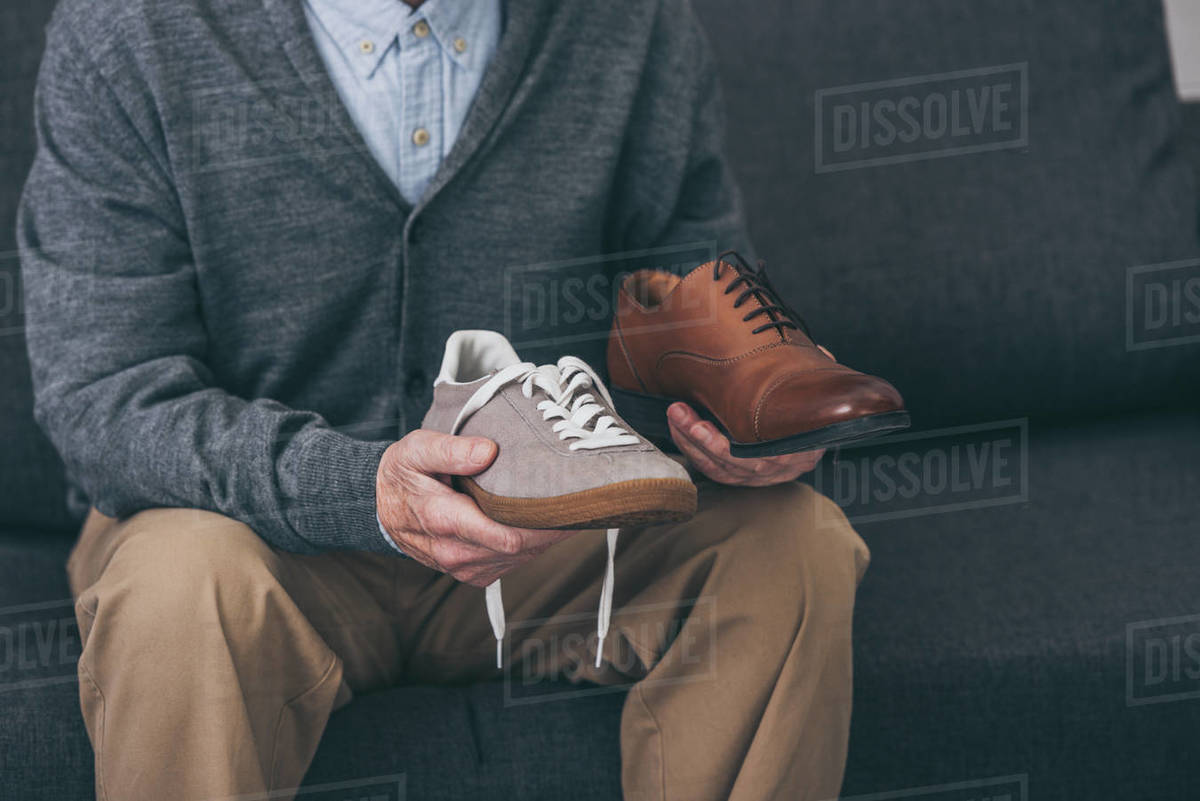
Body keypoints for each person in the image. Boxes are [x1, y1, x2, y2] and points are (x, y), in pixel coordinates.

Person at [18, 0, 869, 798]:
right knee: (178, 589)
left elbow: (683, 298)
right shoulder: (126, 31)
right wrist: (361, 491)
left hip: (548, 533)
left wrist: (740, 415)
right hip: (250, 540)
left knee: (793, 542)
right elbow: (106, 394)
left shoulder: (630, 21)